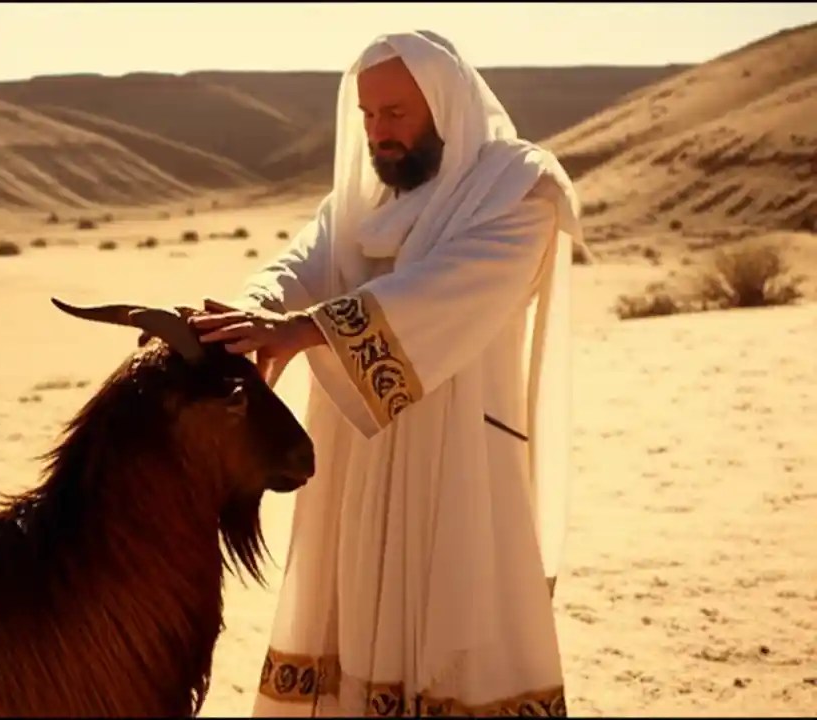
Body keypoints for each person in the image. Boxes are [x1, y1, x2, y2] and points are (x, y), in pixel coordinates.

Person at [190, 31, 582, 717]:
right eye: (368, 116)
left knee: (457, 628)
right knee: (351, 610)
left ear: (445, 105)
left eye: (396, 114)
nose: (379, 133)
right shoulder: (357, 205)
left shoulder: (518, 188)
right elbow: (298, 266)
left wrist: (305, 330)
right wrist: (252, 310)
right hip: (356, 455)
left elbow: (451, 288)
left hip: (460, 459)